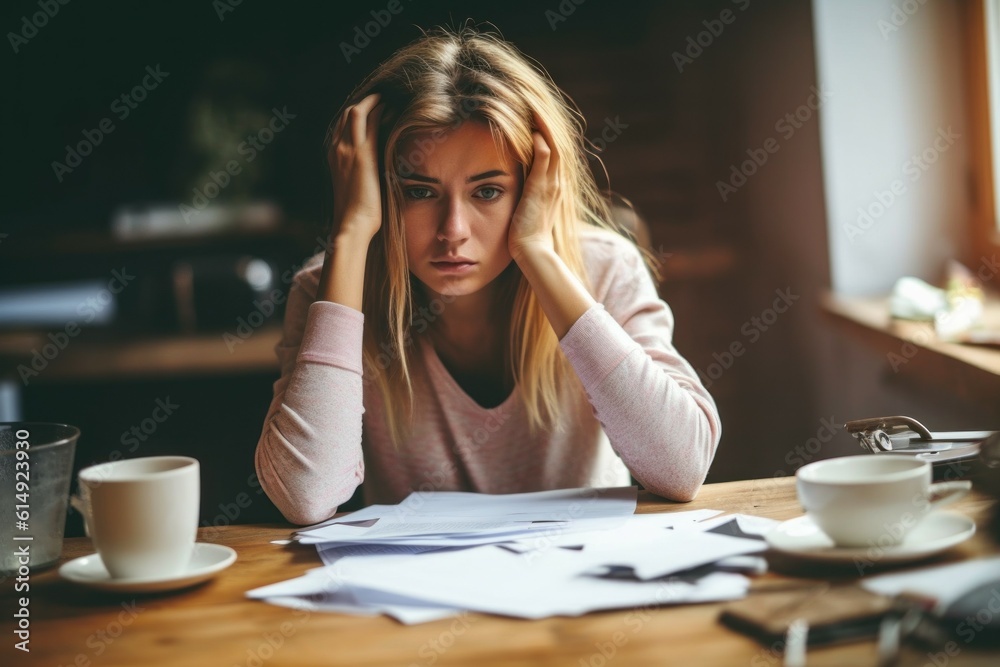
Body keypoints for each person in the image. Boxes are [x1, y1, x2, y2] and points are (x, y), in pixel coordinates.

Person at [254, 25, 721, 526]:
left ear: (535, 187)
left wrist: (536, 251)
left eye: (487, 191)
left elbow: (681, 468)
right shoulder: (328, 290)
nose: (452, 232)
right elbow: (306, 495)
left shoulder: (606, 268)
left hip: (578, 591)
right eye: (418, 191)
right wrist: (350, 235)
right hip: (411, 595)